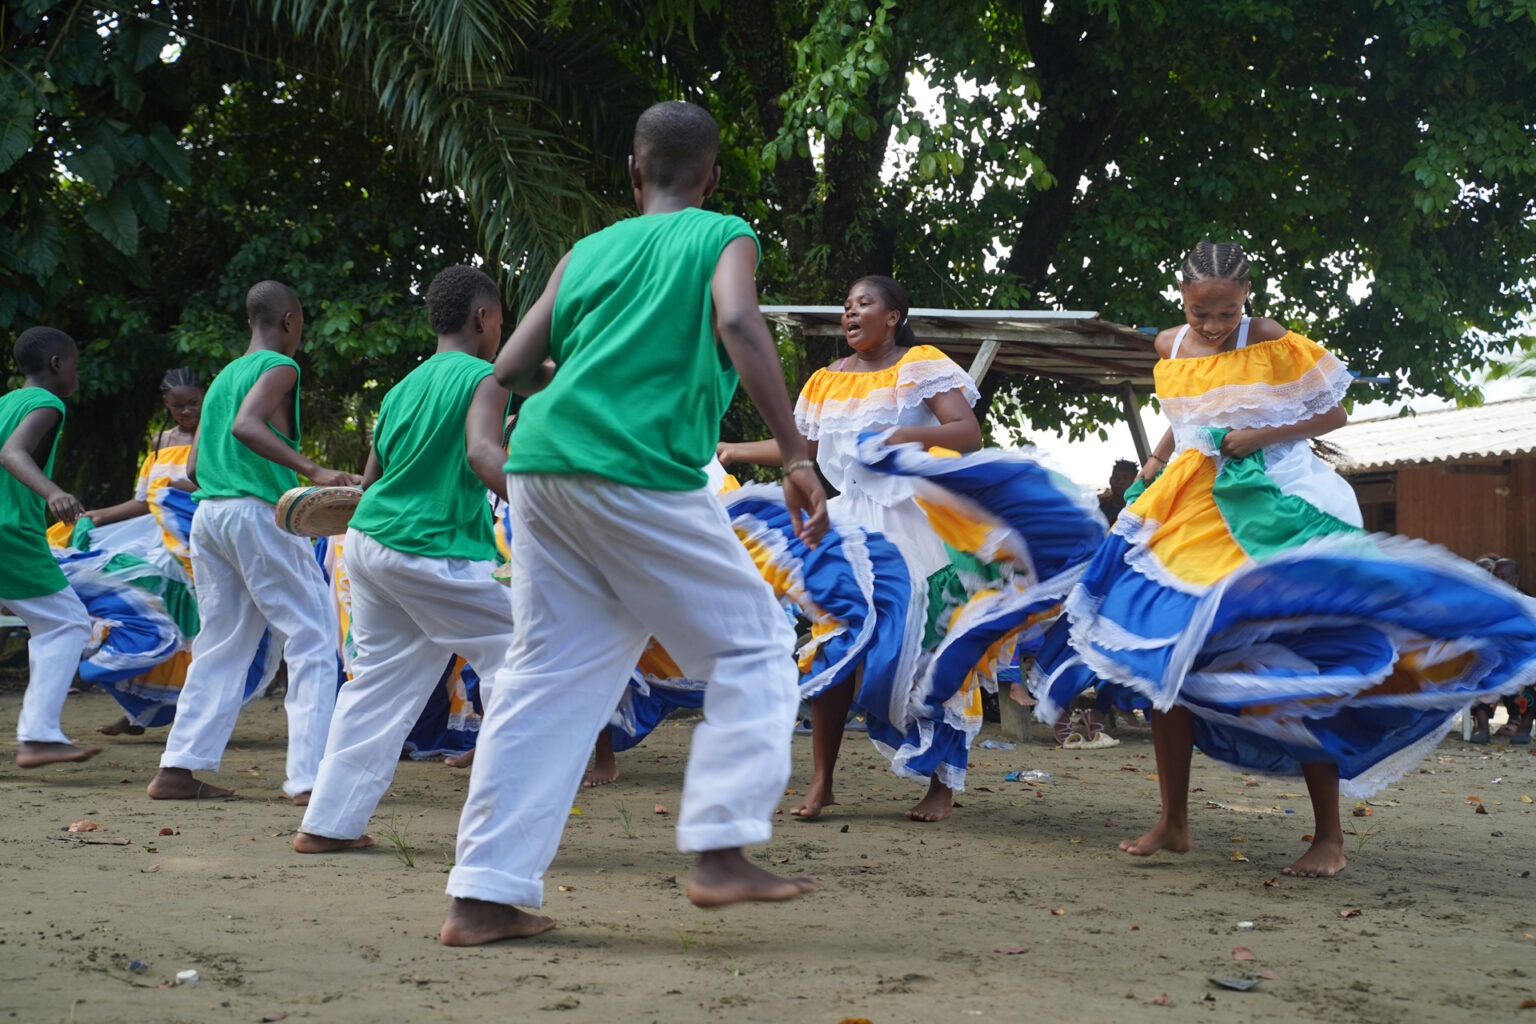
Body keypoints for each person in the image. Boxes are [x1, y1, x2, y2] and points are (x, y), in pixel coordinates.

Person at [439, 100, 827, 946]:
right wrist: (796, 454)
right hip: (636, 471)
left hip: (542, 466)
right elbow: (735, 320)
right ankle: (721, 850)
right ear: (712, 176)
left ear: (632, 171)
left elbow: (508, 366)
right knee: (755, 646)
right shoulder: (722, 234)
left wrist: (581, 375)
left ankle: (483, 896)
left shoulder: (584, 253)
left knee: (549, 674)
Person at [1031, 241, 1536, 878]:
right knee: (1169, 656)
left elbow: (1333, 410)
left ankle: (1329, 836)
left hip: (1276, 502)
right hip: (1188, 508)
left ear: (1245, 300)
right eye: (1201, 315)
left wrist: (1261, 435)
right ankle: (1174, 820)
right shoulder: (1168, 346)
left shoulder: (1267, 337)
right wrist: (1154, 466)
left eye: (1225, 314)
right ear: (1182, 298)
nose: (1213, 327)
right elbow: (1188, 414)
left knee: (1306, 662)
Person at [718, 274, 984, 822]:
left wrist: (902, 438)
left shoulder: (920, 365)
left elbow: (966, 431)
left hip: (911, 523)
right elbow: (800, 448)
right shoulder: (825, 380)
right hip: (847, 524)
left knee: (924, 649)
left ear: (893, 316)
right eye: (846, 305)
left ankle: (939, 783)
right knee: (833, 644)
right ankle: (822, 781)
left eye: (864, 303)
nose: (850, 312)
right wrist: (733, 449)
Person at [293, 264, 514, 853]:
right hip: (431, 548)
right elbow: (482, 458)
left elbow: (371, 482)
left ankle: (327, 826)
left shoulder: (399, 389)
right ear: (484, 318)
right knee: (523, 659)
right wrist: (556, 513)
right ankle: (501, 833)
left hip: (368, 545)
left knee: (377, 685)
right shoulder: (488, 376)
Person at [146, 281, 361, 803]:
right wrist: (314, 470)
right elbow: (248, 426)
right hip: (256, 514)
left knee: (221, 643)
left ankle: (178, 768)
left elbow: (194, 468)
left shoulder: (220, 380)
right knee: (311, 636)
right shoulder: (279, 368)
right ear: (289, 320)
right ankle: (309, 779)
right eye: (302, 322)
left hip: (211, 515)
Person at [78, 368, 207, 736]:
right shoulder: (158, 441)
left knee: (182, 624)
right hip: (152, 539)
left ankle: (175, 714)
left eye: (193, 403)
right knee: (143, 616)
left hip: (191, 538)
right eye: (178, 405)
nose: (186, 412)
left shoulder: (215, 435)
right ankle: (137, 709)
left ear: (205, 396)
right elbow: (143, 501)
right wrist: (97, 517)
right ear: (165, 404)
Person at [0, 326, 98, 768]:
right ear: (58, 364)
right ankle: (38, 735)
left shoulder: (4, 404)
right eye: (75, 363)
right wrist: (53, 492)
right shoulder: (46, 402)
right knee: (67, 623)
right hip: (9, 532)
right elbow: (12, 453)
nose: (77, 373)